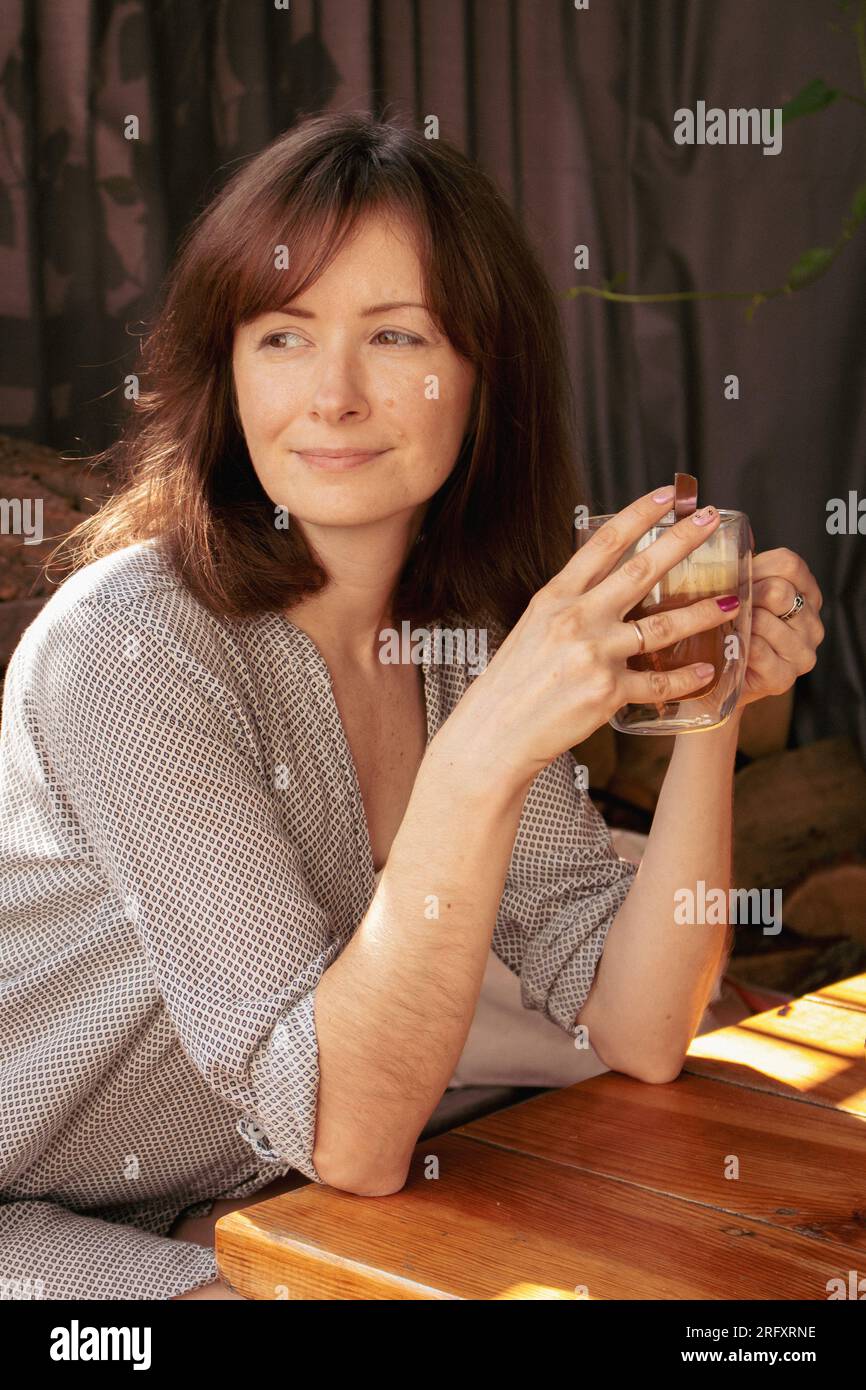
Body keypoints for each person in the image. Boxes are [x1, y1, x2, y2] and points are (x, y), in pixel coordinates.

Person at [0, 113, 823, 1301]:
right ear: (226, 371)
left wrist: (704, 700)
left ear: (485, 375)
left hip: (206, 1194)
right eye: (282, 335)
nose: (331, 396)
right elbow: (348, 1129)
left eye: (394, 335)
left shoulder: (455, 638)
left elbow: (637, 1024)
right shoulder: (130, 651)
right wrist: (484, 751)